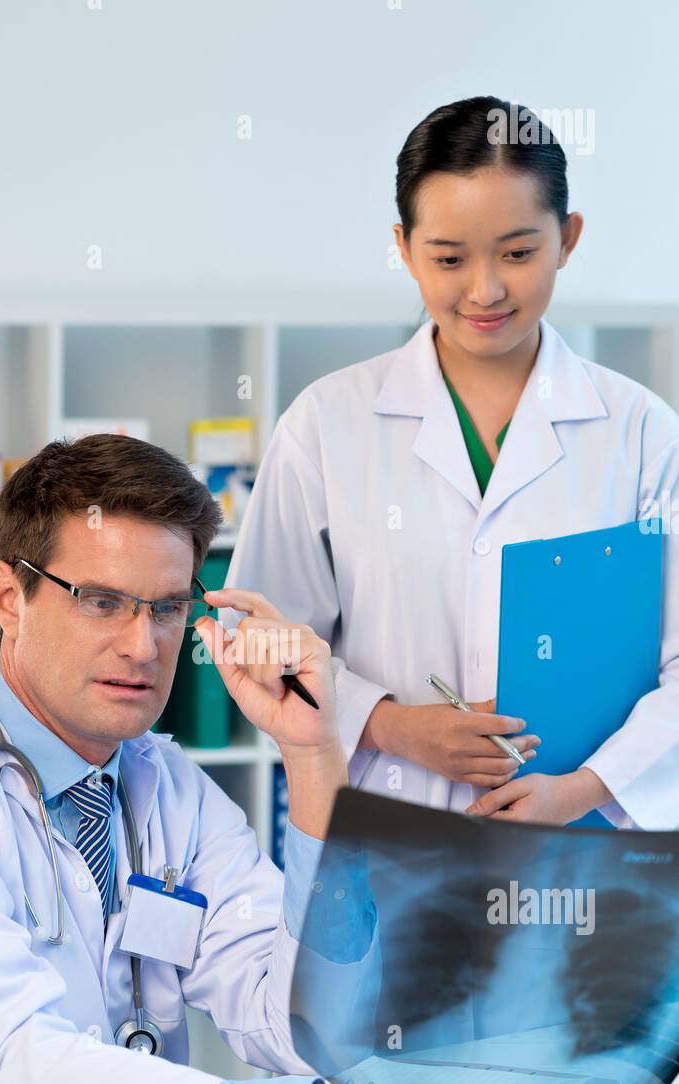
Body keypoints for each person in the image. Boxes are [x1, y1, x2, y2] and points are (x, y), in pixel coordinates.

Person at [0, 434, 496, 1084]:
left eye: (167, 608)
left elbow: (308, 1026)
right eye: (100, 601)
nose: (141, 646)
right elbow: (10, 1066)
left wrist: (312, 751)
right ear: (9, 596)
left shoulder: (166, 785)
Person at [227, 96, 679, 830]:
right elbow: (263, 640)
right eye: (447, 258)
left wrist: (582, 788)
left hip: (587, 846)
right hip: (387, 830)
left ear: (567, 238)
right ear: (403, 248)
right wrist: (389, 725)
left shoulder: (640, 433)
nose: (484, 289)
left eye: (517, 252)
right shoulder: (326, 422)